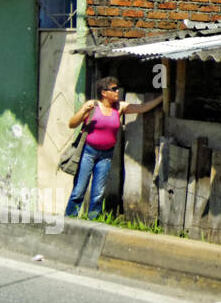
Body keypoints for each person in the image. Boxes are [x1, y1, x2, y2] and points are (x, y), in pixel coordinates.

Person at [65, 77, 163, 220]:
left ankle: (93, 223)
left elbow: (142, 107)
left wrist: (162, 97)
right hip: (88, 152)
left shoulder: (119, 107)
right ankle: (69, 220)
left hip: (106, 156)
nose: (117, 92)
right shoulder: (92, 106)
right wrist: (82, 112)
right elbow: (72, 124)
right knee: (79, 190)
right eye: (114, 89)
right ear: (104, 92)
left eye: (117, 89)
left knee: (98, 192)